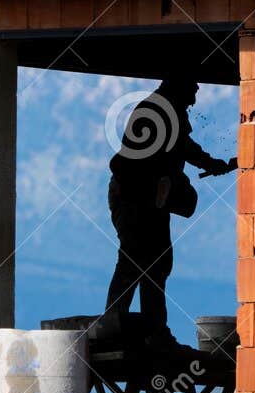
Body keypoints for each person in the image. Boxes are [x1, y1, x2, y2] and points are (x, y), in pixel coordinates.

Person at [98, 76, 235, 346]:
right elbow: (182, 147)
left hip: (150, 200)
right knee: (134, 260)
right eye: (192, 90)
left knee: (157, 263)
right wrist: (210, 163)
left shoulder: (166, 109)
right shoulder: (159, 110)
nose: (195, 99)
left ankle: (153, 330)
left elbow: (183, 146)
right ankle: (115, 329)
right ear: (179, 87)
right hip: (133, 197)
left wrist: (210, 163)